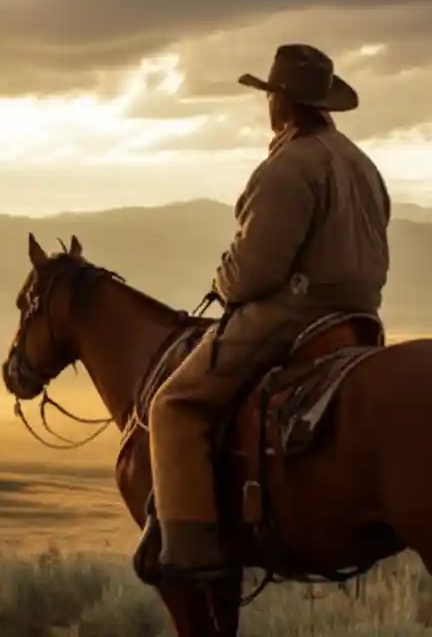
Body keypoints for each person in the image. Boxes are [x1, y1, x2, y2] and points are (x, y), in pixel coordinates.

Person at [141, 44, 392, 582]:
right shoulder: (361, 163)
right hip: (359, 319)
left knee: (174, 406)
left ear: (282, 102)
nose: (269, 105)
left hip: (293, 316)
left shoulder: (287, 167)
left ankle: (190, 553)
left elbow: (255, 271)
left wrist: (222, 281)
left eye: (271, 95)